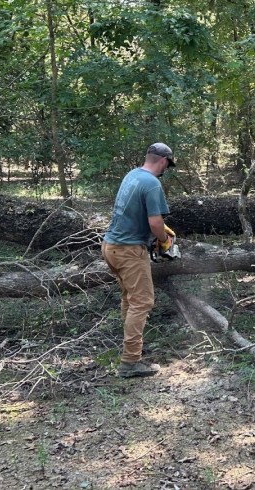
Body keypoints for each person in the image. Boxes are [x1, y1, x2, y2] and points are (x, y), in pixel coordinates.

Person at [101, 142, 178, 378]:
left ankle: (132, 348)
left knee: (129, 299)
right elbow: (155, 223)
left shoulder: (133, 175)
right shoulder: (152, 184)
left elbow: (135, 213)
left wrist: (160, 234)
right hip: (129, 251)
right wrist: (165, 241)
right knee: (142, 302)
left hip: (110, 246)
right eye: (168, 165)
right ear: (163, 162)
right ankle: (130, 362)